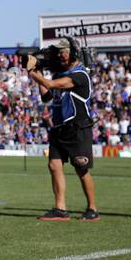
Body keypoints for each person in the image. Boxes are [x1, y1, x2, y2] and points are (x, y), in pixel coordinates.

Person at [24, 38, 99, 222]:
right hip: (59, 127)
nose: (60, 55)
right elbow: (46, 96)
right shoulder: (59, 74)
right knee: (54, 165)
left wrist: (32, 71)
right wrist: (39, 74)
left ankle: (92, 209)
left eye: (63, 51)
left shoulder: (80, 75)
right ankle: (60, 208)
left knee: (81, 168)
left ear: (72, 52)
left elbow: (51, 85)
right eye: (58, 53)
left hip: (78, 127)